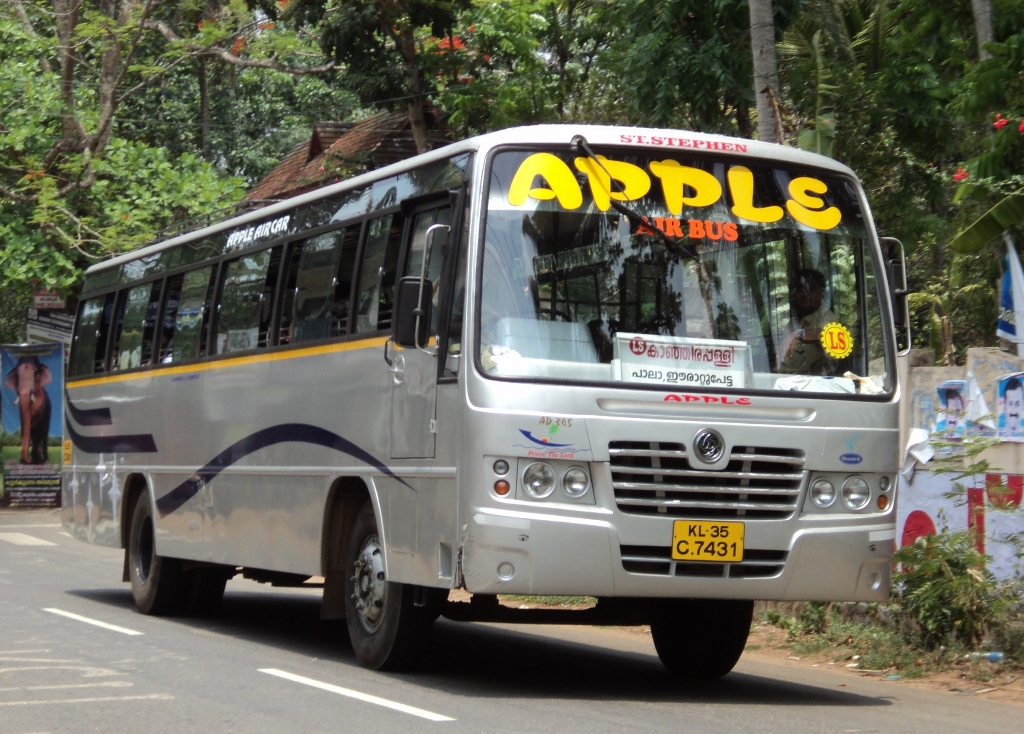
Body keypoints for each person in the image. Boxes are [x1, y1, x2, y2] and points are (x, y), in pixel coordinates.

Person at [779, 268, 837, 375]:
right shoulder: (794, 322)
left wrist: (800, 335)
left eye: (811, 289)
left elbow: (830, 334)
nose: (805, 293)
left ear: (822, 294)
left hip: (814, 382)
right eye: (800, 289)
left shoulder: (826, 317)